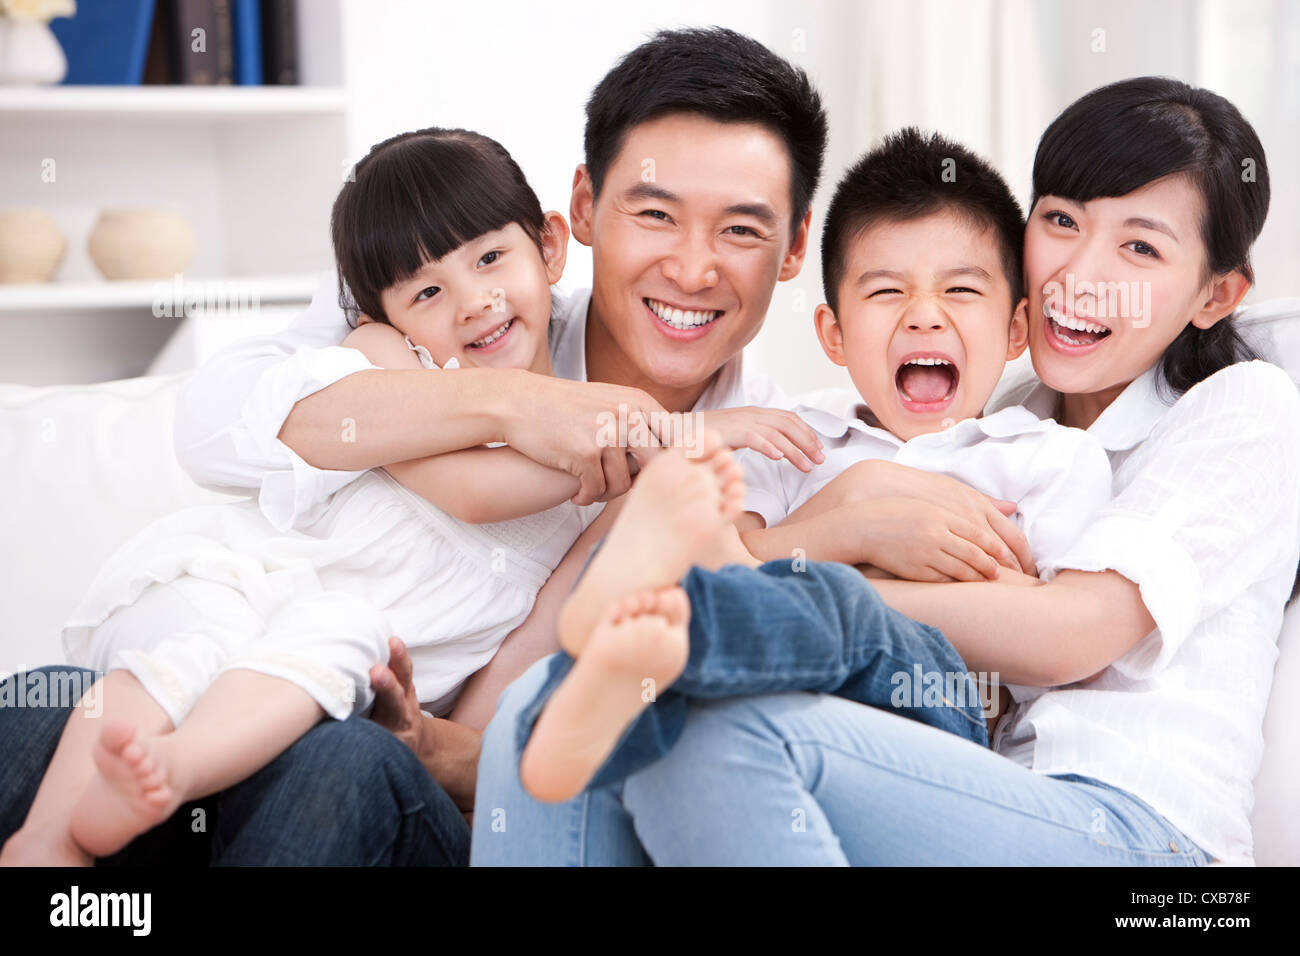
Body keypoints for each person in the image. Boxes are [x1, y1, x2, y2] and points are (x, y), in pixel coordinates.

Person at [0, 26, 857, 866]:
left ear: (792, 250)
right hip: (247, 637)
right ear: (585, 213)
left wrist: (426, 738)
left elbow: (549, 705)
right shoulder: (450, 299)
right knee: (51, 713)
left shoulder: (766, 459)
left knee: (337, 757)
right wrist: (511, 402)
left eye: (741, 230)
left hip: (383, 736)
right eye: (658, 213)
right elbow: (215, 426)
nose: (693, 268)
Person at [472, 77, 1300, 867]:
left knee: (720, 736)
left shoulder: (1241, 404)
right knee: (538, 708)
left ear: (1215, 295)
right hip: (971, 787)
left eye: (1142, 247)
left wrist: (802, 569)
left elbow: (1070, 632)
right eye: (1061, 221)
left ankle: (709, 612)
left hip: (1144, 839)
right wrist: (838, 533)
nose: (1081, 276)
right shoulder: (987, 406)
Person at [513, 128, 1116, 804]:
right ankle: (606, 693)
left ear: (1015, 329)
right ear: (834, 333)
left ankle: (658, 636)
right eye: (887, 292)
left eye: (961, 292)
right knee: (678, 573)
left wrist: (831, 562)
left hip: (945, 718)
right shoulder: (798, 439)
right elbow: (730, 553)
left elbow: (1051, 624)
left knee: (835, 604)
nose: (924, 317)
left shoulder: (1048, 457)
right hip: (768, 710)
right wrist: (854, 534)